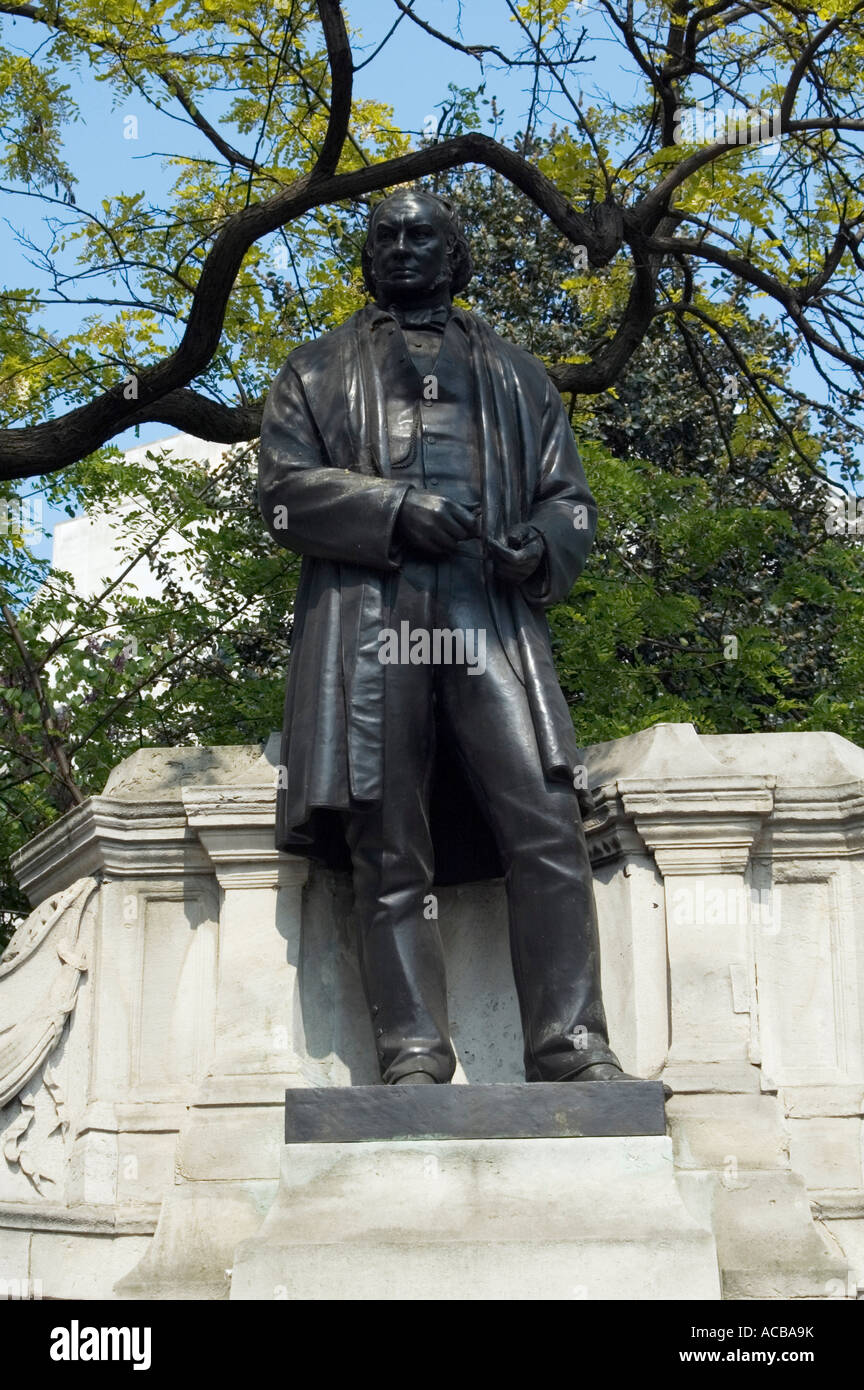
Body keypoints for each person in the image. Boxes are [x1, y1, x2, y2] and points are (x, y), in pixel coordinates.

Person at [259, 187, 632, 1086]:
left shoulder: (520, 375)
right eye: (384, 235)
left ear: (455, 254)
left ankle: (568, 1046)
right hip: (369, 621)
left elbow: (570, 501)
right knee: (387, 837)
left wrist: (539, 544)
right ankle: (414, 1051)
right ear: (369, 256)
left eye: (421, 233)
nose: (401, 247)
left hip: (485, 613)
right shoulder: (312, 371)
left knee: (546, 817)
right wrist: (393, 511)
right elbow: (278, 497)